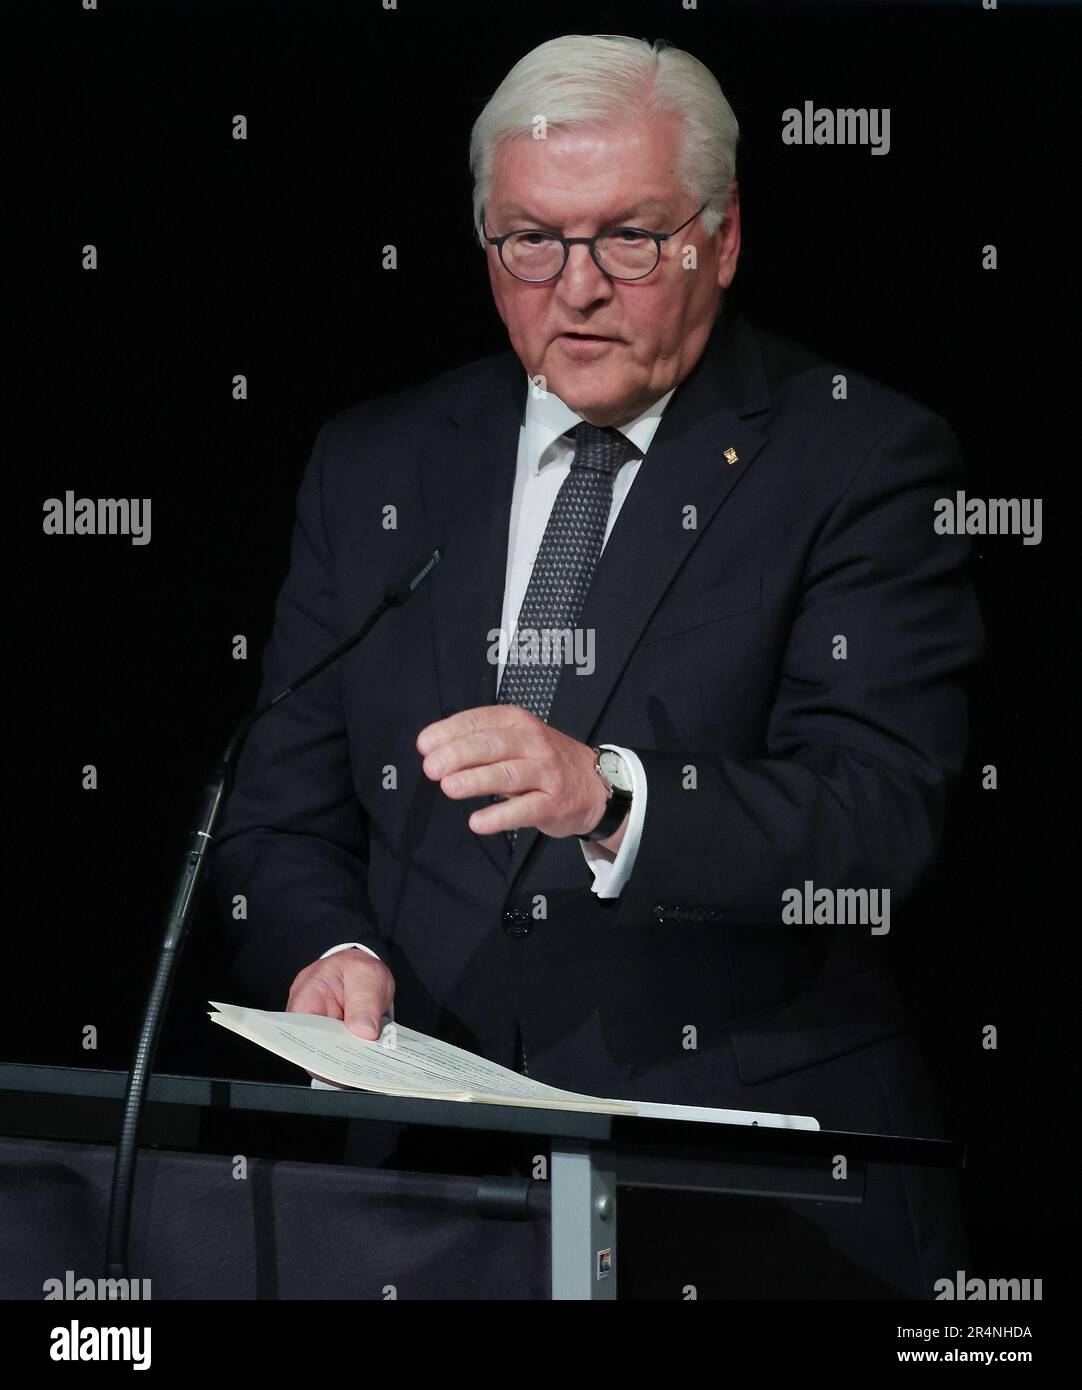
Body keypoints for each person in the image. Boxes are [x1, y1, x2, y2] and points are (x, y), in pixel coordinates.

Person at [210, 33, 983, 1298]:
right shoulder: (375, 464)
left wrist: (615, 796)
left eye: (628, 237)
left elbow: (879, 814)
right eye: (529, 240)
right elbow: (275, 818)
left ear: (720, 241)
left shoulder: (859, 459)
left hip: (747, 1208)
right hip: (421, 1194)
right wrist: (322, 950)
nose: (574, 288)